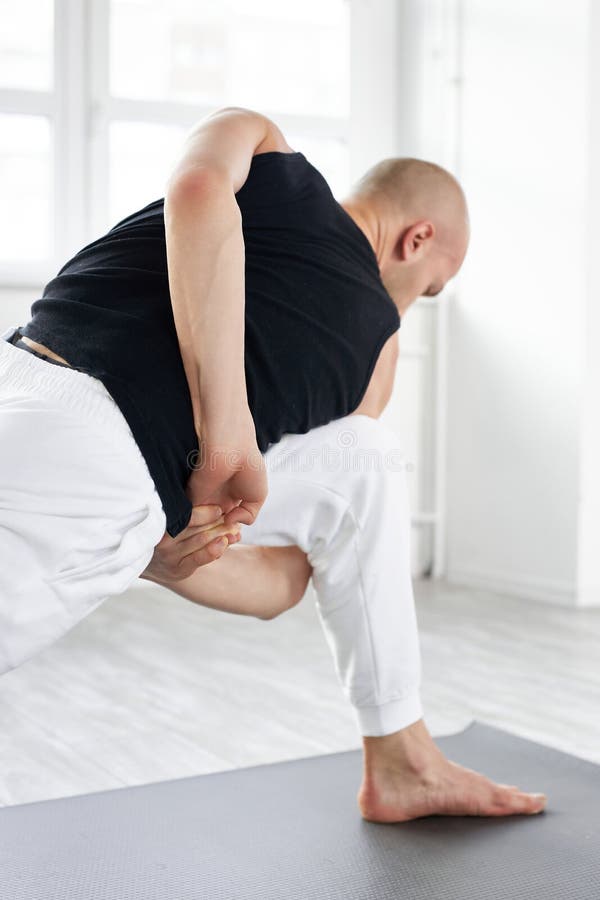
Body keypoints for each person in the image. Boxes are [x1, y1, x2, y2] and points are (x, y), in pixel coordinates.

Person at [0, 106, 545, 822]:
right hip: (88, 460)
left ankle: (403, 754)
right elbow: (195, 204)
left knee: (365, 463)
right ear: (418, 241)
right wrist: (225, 427)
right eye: (430, 290)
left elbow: (285, 584)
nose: (411, 311)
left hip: (28, 383)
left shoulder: (261, 146)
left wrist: (162, 555)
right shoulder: (373, 354)